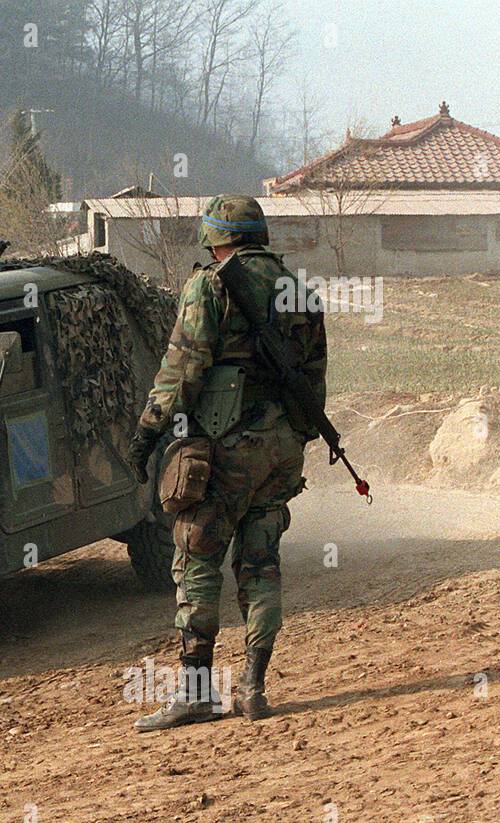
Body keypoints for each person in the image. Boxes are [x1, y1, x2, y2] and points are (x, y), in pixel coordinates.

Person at [125, 194, 327, 731]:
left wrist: (147, 434)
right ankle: (254, 688)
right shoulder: (298, 290)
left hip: (225, 444)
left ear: (215, 238)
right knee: (261, 562)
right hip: (281, 448)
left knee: (196, 558)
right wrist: (294, 441)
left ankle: (196, 694)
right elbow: (314, 380)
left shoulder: (209, 285)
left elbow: (182, 369)